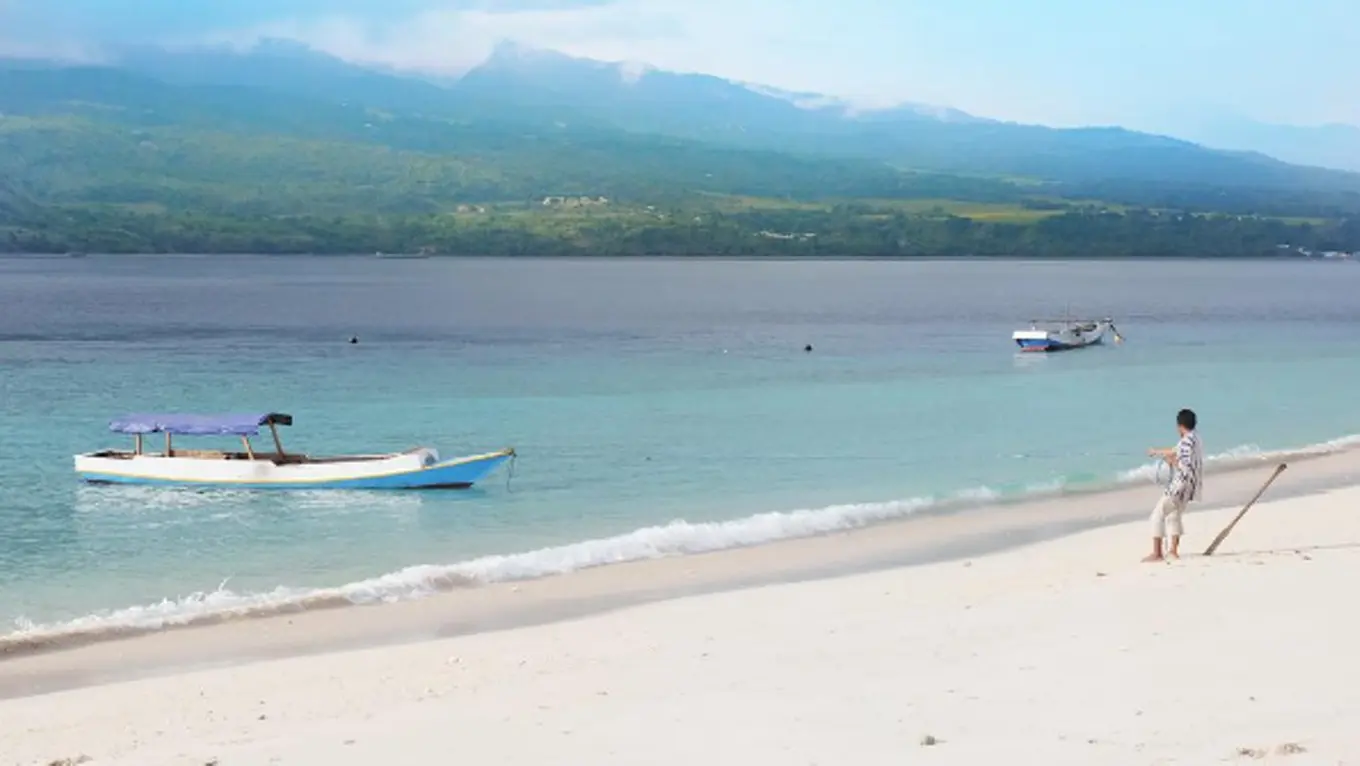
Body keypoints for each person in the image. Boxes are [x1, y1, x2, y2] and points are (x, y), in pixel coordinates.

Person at [1144, 408, 1203, 562]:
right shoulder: (1195, 438)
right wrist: (1157, 452)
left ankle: (1157, 553)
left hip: (1180, 486)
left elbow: (1184, 465)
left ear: (1180, 426)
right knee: (1174, 516)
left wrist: (1172, 461)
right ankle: (1173, 552)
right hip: (1191, 487)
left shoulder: (1186, 442)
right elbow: (1175, 451)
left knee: (1157, 514)